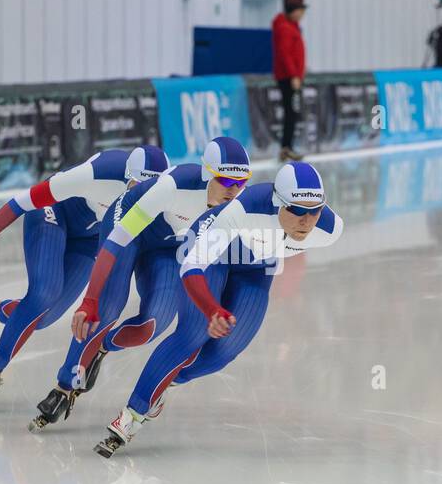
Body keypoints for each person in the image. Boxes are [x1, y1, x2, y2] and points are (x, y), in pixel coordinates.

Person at [94, 162, 344, 457]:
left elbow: (300, 231)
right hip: (211, 252)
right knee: (192, 333)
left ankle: (164, 382)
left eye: (314, 211)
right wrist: (211, 309)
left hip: (255, 267)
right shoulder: (243, 210)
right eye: (297, 211)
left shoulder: (330, 229)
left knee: (223, 353)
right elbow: (191, 267)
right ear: (278, 202)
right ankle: (132, 415)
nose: (306, 221)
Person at [26, 137, 252, 431]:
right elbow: (117, 239)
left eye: (242, 182)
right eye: (226, 181)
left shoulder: (238, 209)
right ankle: (64, 386)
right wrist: (90, 299)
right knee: (107, 309)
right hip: (128, 229)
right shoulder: (174, 187)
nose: (234, 191)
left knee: (151, 326)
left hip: (166, 247)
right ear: (208, 173)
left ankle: (102, 347)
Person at [0, 144, 170, 410]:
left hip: (90, 240)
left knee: (42, 319)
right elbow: (22, 201)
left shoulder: (165, 194)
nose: (142, 199)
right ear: (129, 178)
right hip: (53, 213)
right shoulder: (96, 174)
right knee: (45, 293)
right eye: (137, 190)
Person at [271, 0, 307, 162]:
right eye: (300, 11)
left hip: (290, 76)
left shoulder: (291, 27)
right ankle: (286, 147)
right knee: (291, 112)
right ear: (293, 11)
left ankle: (287, 147)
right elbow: (285, 54)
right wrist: (294, 76)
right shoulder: (285, 28)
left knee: (291, 112)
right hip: (288, 78)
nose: (302, 15)